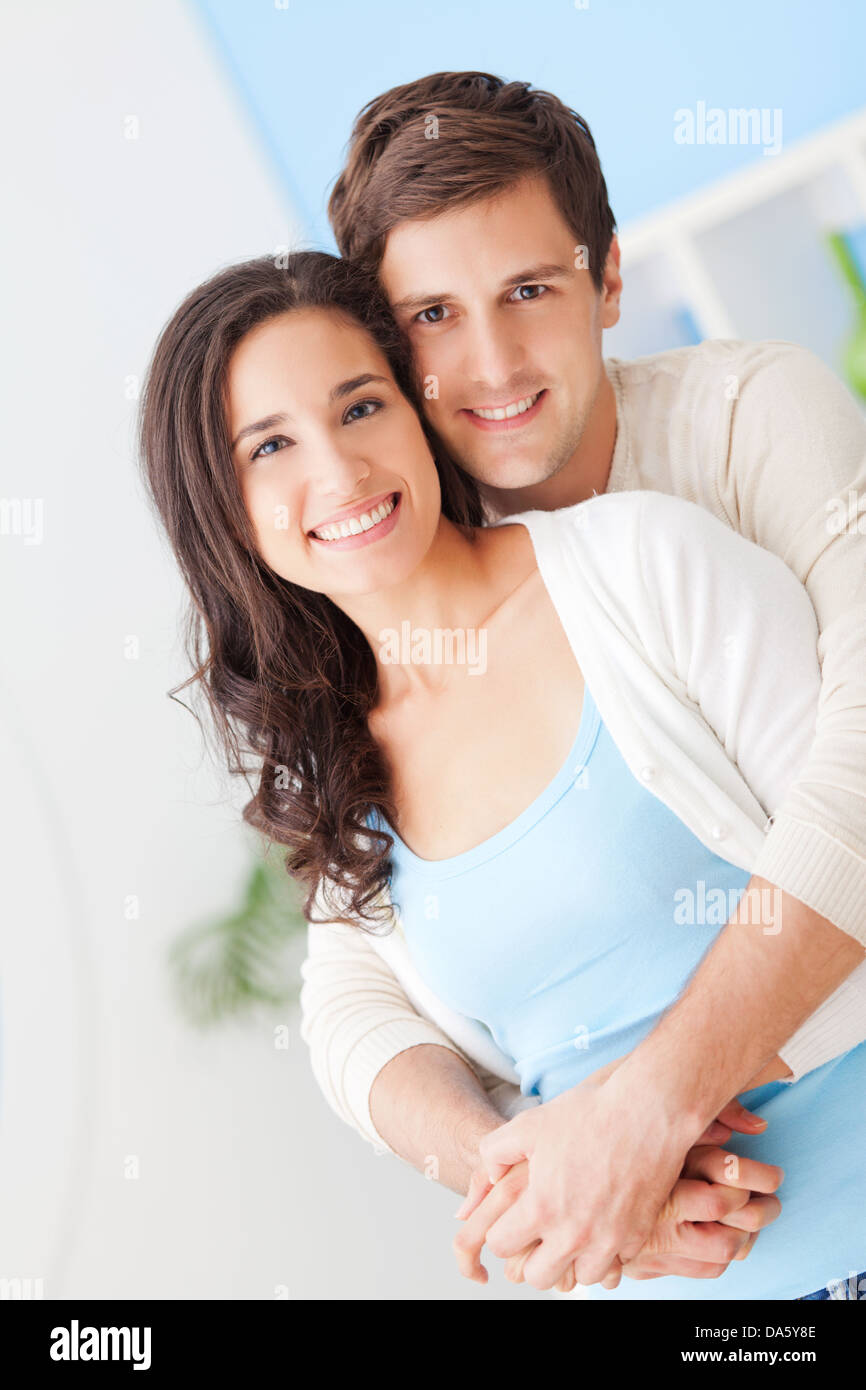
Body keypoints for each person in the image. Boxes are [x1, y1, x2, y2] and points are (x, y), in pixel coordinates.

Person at [138, 249, 866, 1300]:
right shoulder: (337, 762)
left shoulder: (638, 569)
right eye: (271, 447)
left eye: (359, 408)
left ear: (418, 408)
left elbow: (849, 830)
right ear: (220, 510)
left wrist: (640, 1125)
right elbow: (351, 1025)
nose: (338, 474)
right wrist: (531, 1173)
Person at [300, 70, 866, 1294]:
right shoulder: (397, 582)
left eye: (527, 291)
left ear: (606, 280)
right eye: (432, 318)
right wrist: (529, 1169)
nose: (491, 362)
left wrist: (645, 1118)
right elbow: (347, 993)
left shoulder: (745, 423)